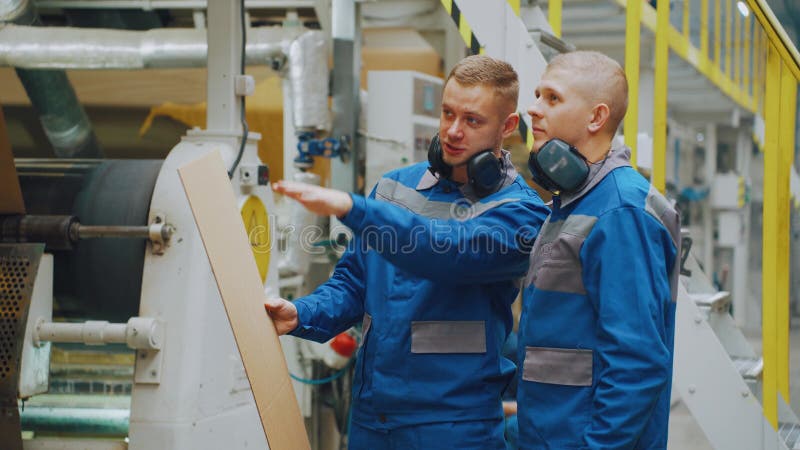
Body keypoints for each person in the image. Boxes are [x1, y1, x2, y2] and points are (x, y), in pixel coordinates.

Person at [265, 55, 549, 449]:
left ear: (508, 127)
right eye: (447, 113)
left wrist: (353, 208)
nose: (452, 131)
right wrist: (302, 313)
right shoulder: (395, 187)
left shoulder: (521, 212)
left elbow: (447, 252)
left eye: (472, 120)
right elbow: (352, 283)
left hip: (454, 425)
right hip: (371, 417)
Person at [517, 50, 680, 449]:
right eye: (537, 95)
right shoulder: (574, 202)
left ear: (596, 117)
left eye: (552, 99)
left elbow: (637, 364)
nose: (533, 110)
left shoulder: (619, 211)